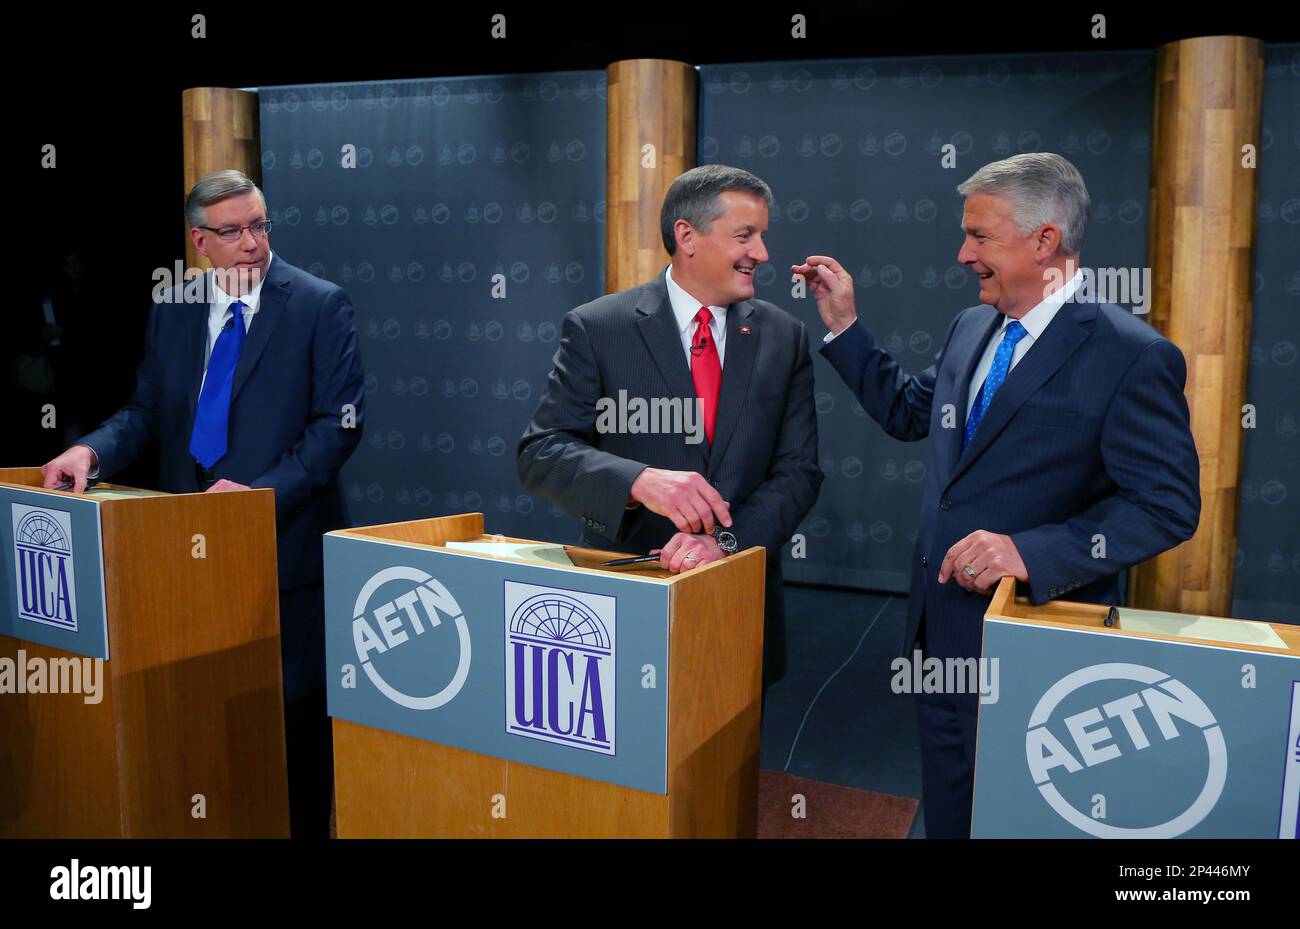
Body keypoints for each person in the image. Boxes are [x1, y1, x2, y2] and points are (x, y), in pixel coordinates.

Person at [795, 152, 1200, 837]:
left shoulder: (1131, 353)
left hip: (1036, 646)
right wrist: (844, 326)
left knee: (1024, 818)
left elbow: (1166, 504)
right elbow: (907, 412)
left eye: (979, 236)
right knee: (950, 809)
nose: (962, 253)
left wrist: (1028, 551)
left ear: (1045, 241)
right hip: (941, 632)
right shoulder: (971, 327)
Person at [41, 169, 365, 838]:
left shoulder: (318, 303)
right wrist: (92, 452)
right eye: (232, 231)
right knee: (205, 737)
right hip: (185, 559)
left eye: (260, 225)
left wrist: (255, 498)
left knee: (291, 741)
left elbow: (340, 425)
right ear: (199, 242)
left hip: (282, 557)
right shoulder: (176, 307)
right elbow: (146, 411)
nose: (252, 242)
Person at [519, 164, 822, 692]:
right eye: (744, 236)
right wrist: (637, 482)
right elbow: (541, 452)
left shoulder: (784, 335)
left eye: (763, 236)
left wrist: (725, 542)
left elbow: (799, 471)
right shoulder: (598, 327)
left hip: (737, 605)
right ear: (687, 236)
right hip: (626, 599)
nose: (763, 253)